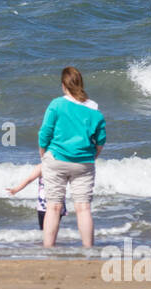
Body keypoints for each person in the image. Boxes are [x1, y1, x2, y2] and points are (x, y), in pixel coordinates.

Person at [37, 67, 106, 248]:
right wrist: (93, 155)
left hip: (56, 160)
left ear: (63, 85)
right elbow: (101, 139)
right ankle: (88, 248)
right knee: (83, 208)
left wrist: (43, 154)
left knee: (53, 206)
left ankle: (48, 248)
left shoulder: (56, 104)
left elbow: (45, 133)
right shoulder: (94, 109)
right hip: (83, 162)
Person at [6, 161, 66, 232]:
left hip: (44, 204)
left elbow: (29, 180)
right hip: (58, 202)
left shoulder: (42, 166)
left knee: (44, 229)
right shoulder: (64, 166)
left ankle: (48, 242)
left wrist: (15, 190)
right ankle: (52, 242)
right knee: (53, 229)